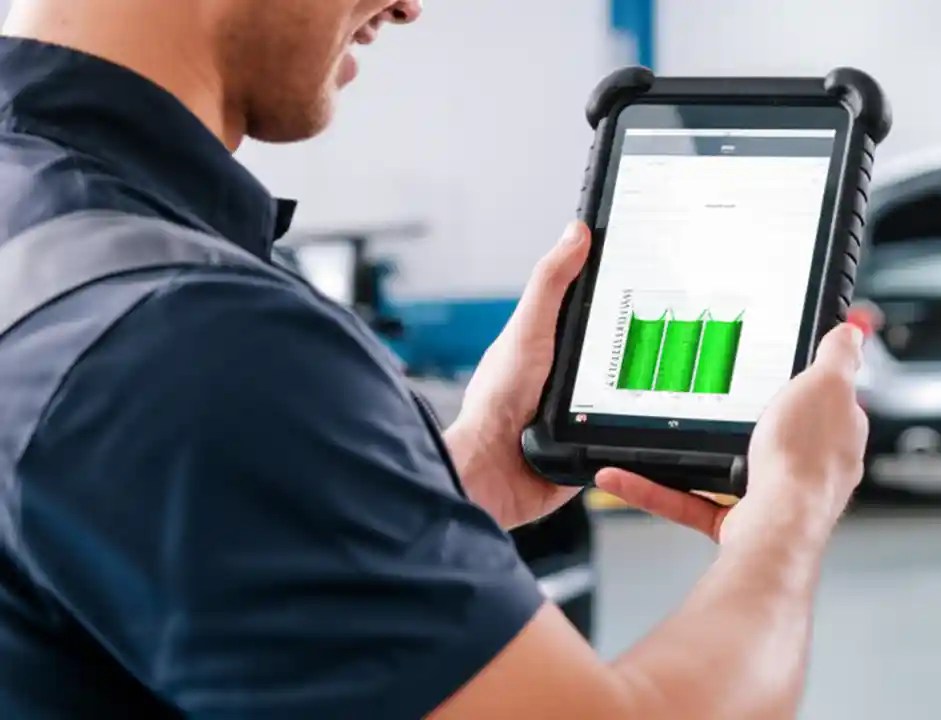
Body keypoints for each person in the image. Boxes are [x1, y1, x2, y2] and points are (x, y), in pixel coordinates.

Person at [0, 1, 869, 718]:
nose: (410, 5)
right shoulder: (193, 337)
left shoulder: (42, 214)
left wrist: (470, 472)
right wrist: (790, 516)